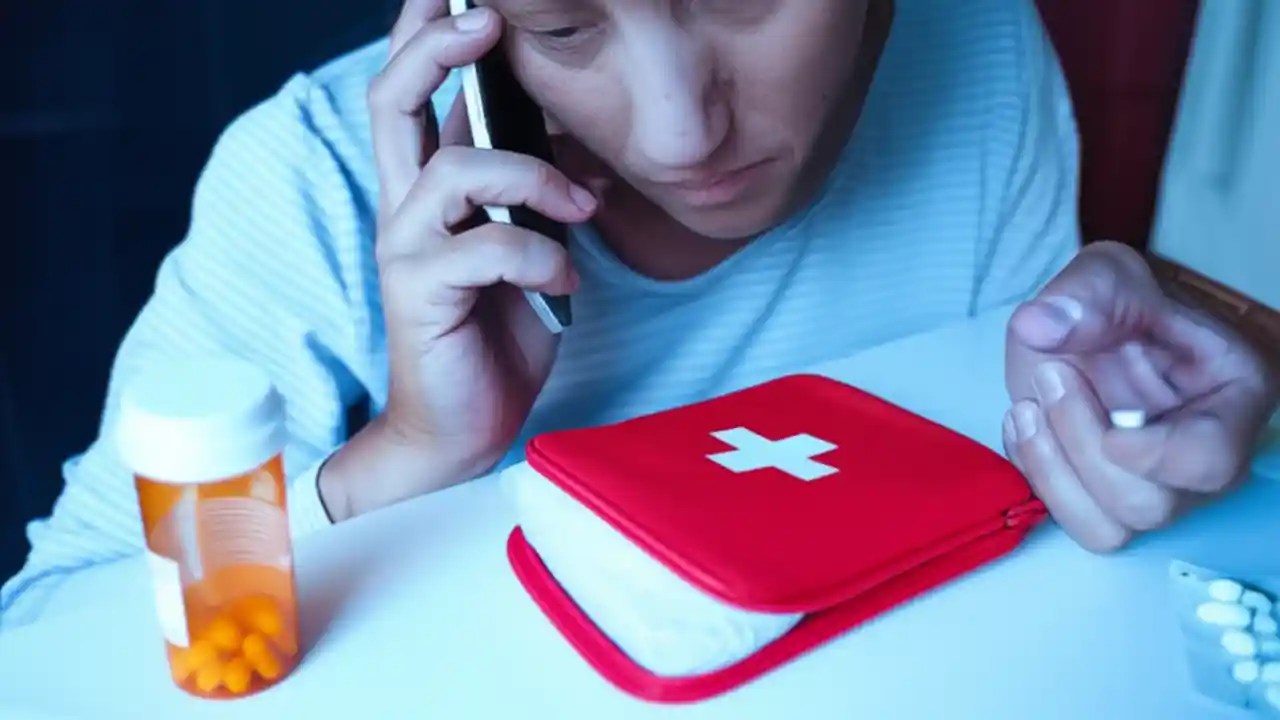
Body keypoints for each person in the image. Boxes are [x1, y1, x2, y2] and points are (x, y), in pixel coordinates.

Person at [2, 0, 1275, 629]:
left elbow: (1005, 503)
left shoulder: (978, 50)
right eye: (563, 25)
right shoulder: (312, 183)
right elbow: (54, 633)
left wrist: (1140, 409)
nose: (679, 133)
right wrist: (407, 457)